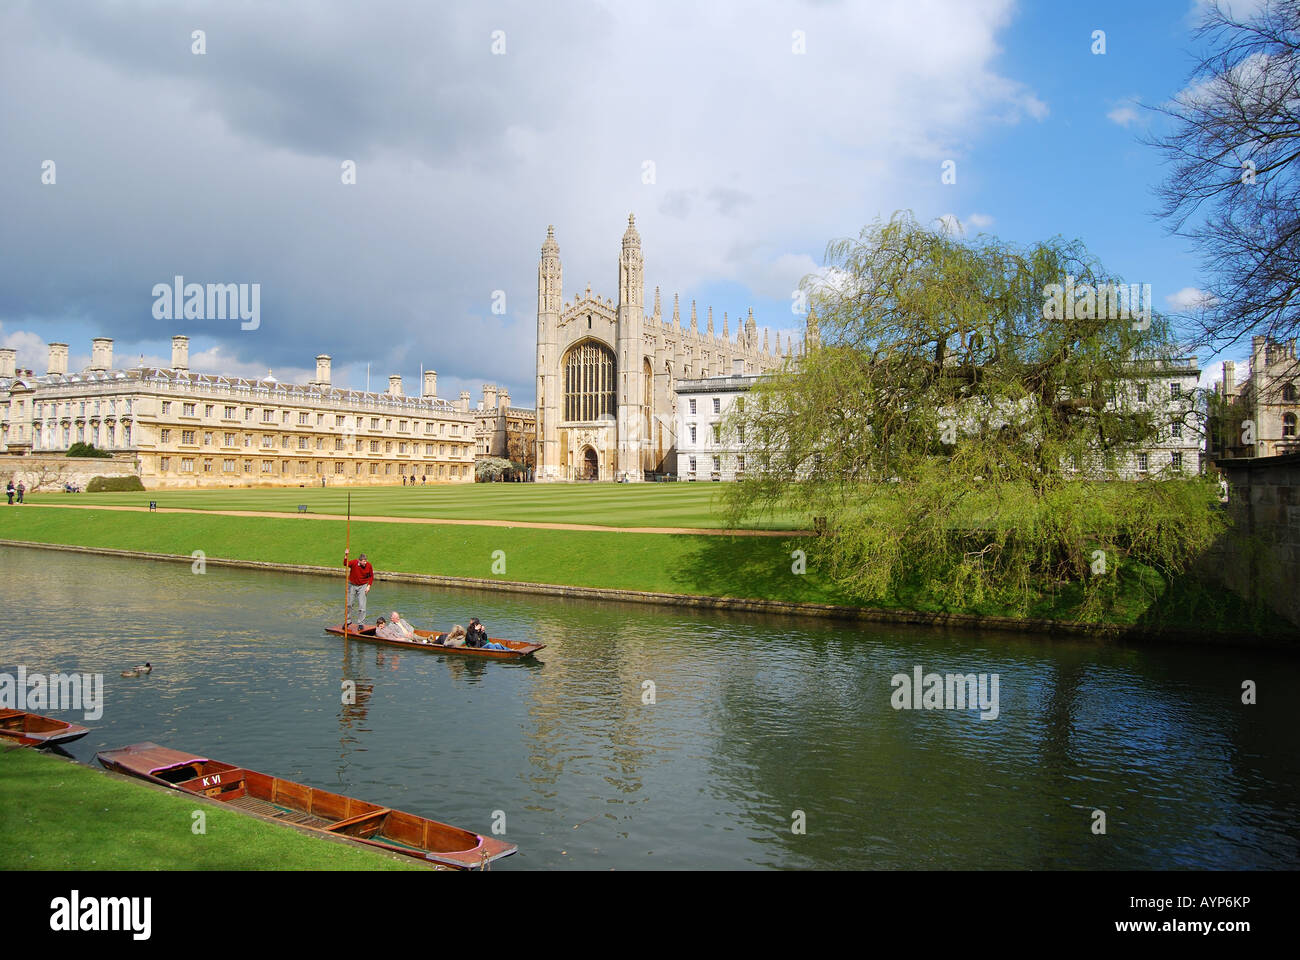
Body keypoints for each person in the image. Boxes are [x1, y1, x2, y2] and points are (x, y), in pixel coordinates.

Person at [343, 549, 374, 626]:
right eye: (363, 561)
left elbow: (371, 576)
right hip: (352, 585)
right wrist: (346, 555)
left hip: (363, 586)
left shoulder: (369, 565)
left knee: (362, 606)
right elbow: (345, 564)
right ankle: (348, 621)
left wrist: (369, 586)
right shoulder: (354, 563)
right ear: (359, 561)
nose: (365, 563)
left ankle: (361, 623)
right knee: (349, 604)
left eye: (366, 561)